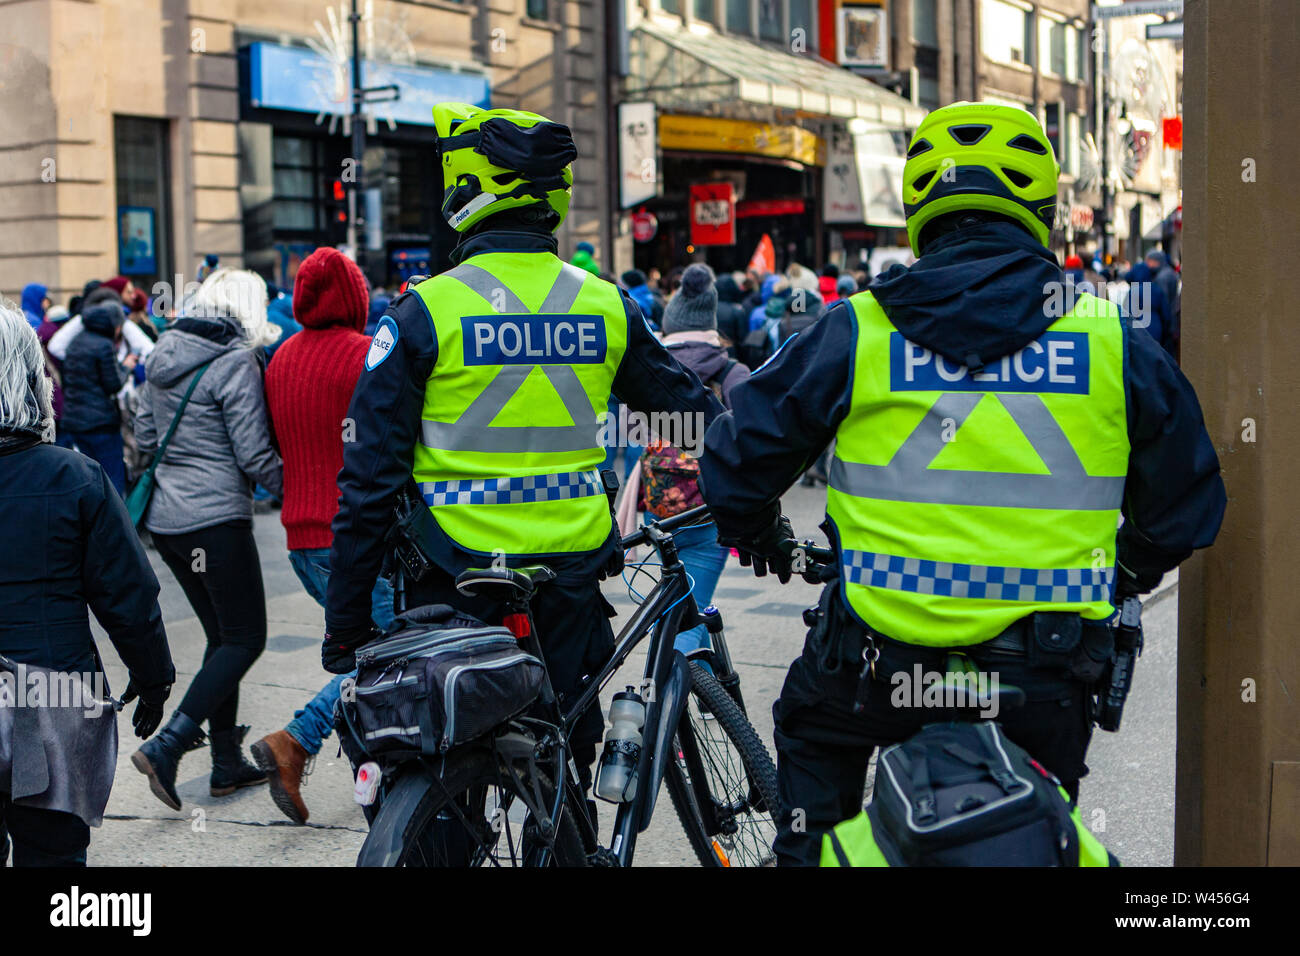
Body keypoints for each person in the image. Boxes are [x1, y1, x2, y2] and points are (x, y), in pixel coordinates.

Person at [698, 102, 1227, 866]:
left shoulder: (857, 330)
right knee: (1027, 839)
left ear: (921, 212)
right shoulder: (1112, 341)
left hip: (874, 669)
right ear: (1041, 213)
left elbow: (734, 462)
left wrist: (760, 536)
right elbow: (1189, 507)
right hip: (1042, 678)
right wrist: (1117, 575)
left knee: (809, 759)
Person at [320, 103, 724, 805]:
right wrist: (750, 500)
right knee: (564, 770)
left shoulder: (425, 312)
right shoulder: (603, 304)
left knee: (442, 776)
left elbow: (369, 482)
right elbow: (691, 418)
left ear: (462, 192)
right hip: (569, 582)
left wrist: (348, 621)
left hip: (454, 582)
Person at [0, 307, 174, 866]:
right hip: (54, 698)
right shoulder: (75, 477)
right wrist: (153, 678)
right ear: (31, 377)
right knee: (52, 854)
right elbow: (128, 596)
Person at [249, 247, 397, 824]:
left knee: (366, 652)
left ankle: (361, 761)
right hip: (355, 534)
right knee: (388, 655)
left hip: (301, 538)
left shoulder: (279, 359)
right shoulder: (365, 355)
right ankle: (298, 739)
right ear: (356, 298)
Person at [129, 268, 284, 810]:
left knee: (224, 637)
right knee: (245, 638)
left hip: (169, 525)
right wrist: (301, 490)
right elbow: (253, 453)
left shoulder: (162, 349)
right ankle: (169, 746)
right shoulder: (236, 360)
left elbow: (146, 436)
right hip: (216, 519)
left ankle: (224, 765)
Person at [639, 263, 750, 661]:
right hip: (708, 510)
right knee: (688, 612)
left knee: (680, 603)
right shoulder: (732, 372)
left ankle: (702, 694)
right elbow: (749, 440)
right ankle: (663, 704)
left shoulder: (651, 370)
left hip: (659, 511)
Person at [60, 303, 137, 496]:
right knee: (112, 479)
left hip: (76, 422)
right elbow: (113, 384)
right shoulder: (104, 345)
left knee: (89, 478)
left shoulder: (75, 342)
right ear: (114, 325)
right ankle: (117, 523)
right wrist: (126, 366)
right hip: (101, 423)